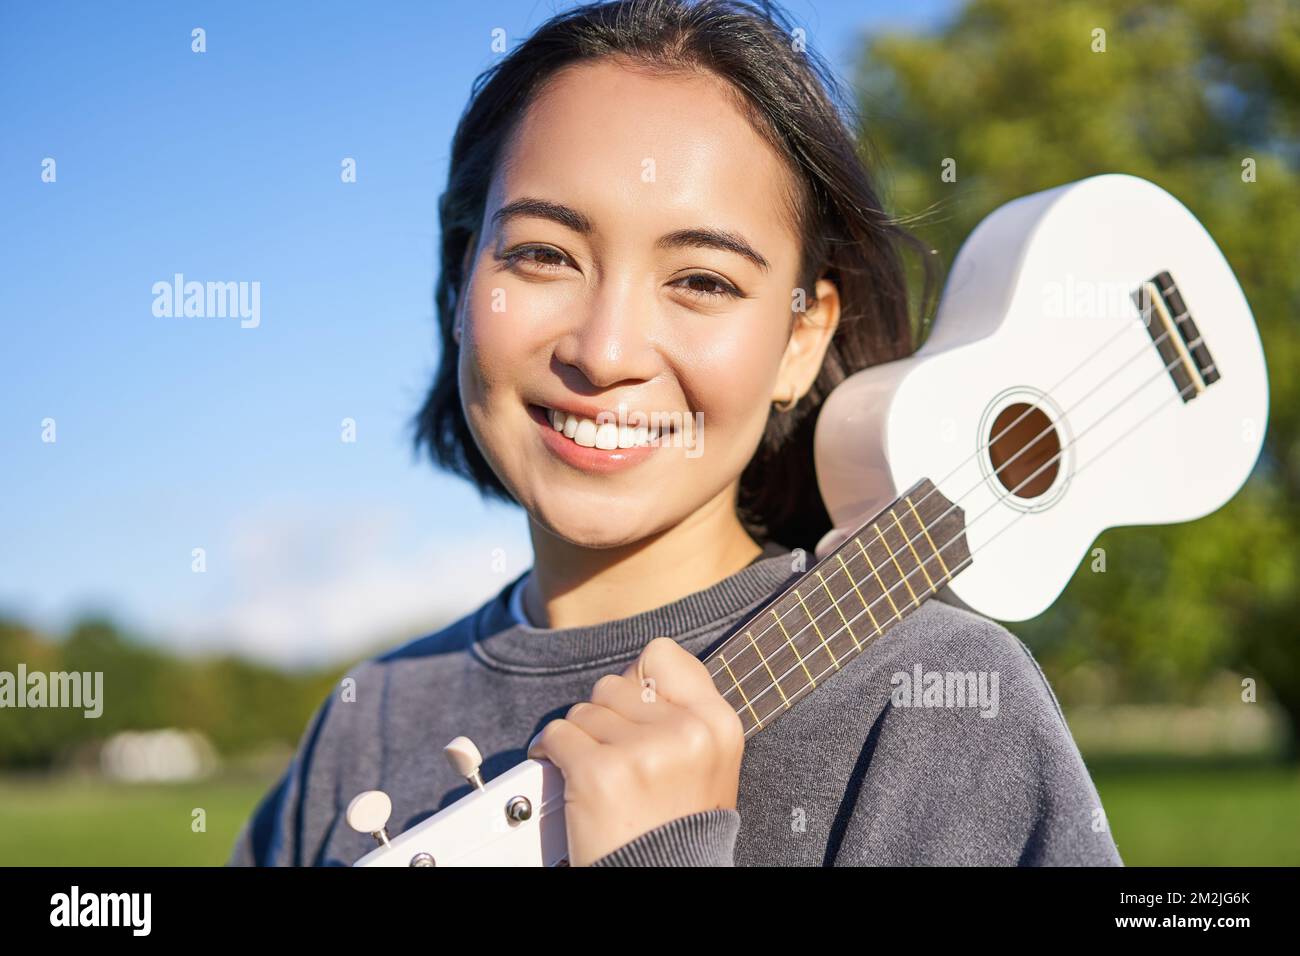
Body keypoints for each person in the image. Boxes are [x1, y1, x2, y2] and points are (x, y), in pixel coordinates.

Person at [229, 0, 1121, 867]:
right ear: (465, 281)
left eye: (702, 280)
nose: (605, 352)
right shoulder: (368, 716)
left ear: (800, 341)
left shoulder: (944, 700)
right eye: (543, 255)